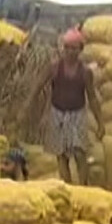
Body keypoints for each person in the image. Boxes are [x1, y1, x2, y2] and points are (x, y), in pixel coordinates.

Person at [44, 27, 103, 185]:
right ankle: (68, 188)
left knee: (79, 153)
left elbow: (92, 97)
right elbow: (37, 86)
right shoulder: (55, 67)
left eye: (74, 48)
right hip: (58, 114)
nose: (70, 52)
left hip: (77, 115)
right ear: (63, 48)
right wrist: (25, 109)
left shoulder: (85, 72)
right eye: (67, 48)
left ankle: (83, 187)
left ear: (80, 50)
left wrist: (100, 123)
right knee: (61, 155)